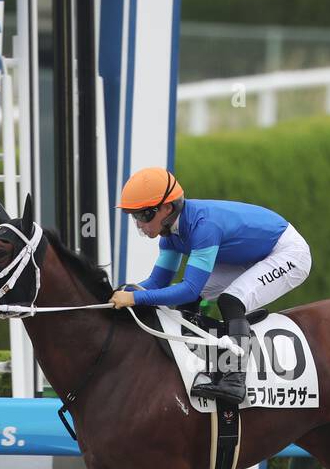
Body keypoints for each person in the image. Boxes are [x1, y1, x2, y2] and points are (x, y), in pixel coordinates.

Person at [111, 167, 312, 406]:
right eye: (135, 217)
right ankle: (192, 360)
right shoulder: (169, 235)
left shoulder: (203, 227)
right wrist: (118, 293)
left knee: (230, 300)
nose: (140, 224)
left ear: (167, 208)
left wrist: (134, 299)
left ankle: (235, 380)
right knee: (186, 302)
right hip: (250, 255)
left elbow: (189, 288)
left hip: (287, 252)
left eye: (144, 215)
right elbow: (156, 284)